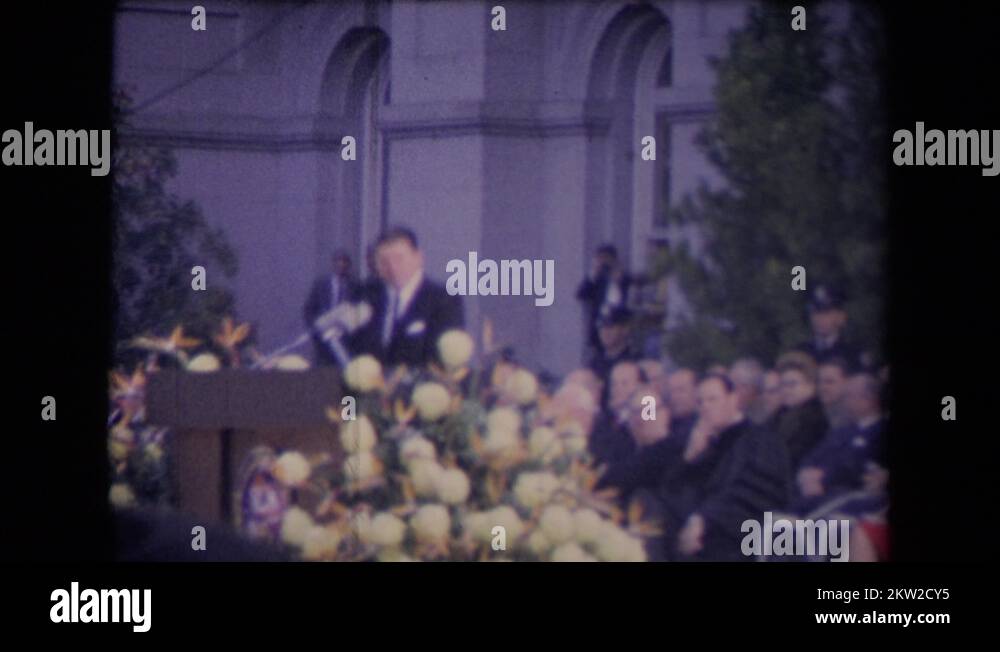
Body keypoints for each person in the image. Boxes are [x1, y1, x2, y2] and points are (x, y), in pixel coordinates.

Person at [674, 375, 791, 561]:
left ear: (733, 399)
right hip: (697, 534)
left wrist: (704, 518)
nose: (705, 406)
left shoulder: (760, 440)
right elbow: (675, 493)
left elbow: (756, 493)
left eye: (712, 399)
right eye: (700, 401)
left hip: (740, 537)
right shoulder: (703, 445)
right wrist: (689, 459)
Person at [348, 226, 464, 369]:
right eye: (384, 261)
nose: (392, 267)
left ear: (418, 258)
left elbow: (442, 358)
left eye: (399, 259)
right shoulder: (366, 295)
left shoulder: (444, 299)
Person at [304, 250, 362, 366]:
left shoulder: (356, 285)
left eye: (344, 261)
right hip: (323, 338)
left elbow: (358, 310)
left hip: (345, 338)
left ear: (349, 265)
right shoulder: (321, 284)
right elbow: (309, 309)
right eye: (338, 261)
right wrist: (316, 328)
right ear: (333, 263)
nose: (341, 264)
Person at [773, 352, 829, 469]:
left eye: (792, 385)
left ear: (811, 385)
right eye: (783, 385)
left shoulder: (815, 420)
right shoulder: (778, 414)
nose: (786, 390)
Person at [576, 244, 632, 358]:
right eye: (601, 259)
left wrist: (619, 280)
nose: (605, 263)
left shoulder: (625, 278)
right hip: (599, 328)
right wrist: (593, 273)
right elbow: (581, 294)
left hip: (619, 328)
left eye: (607, 259)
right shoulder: (598, 281)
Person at [794, 284, 864, 371]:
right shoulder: (799, 352)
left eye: (826, 312)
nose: (819, 318)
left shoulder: (852, 354)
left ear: (841, 317)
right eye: (815, 312)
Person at [587, 307, 641, 389]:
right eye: (601, 326)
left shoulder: (635, 362)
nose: (605, 331)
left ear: (625, 329)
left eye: (610, 326)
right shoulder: (594, 363)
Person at [816, 357, 852, 429]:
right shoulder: (813, 414)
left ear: (847, 382)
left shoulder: (854, 417)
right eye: (819, 381)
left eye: (829, 382)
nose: (822, 387)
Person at [666, 368, 699, 443]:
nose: (675, 396)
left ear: (696, 391)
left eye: (681, 390)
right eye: (671, 391)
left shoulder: (704, 426)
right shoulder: (666, 426)